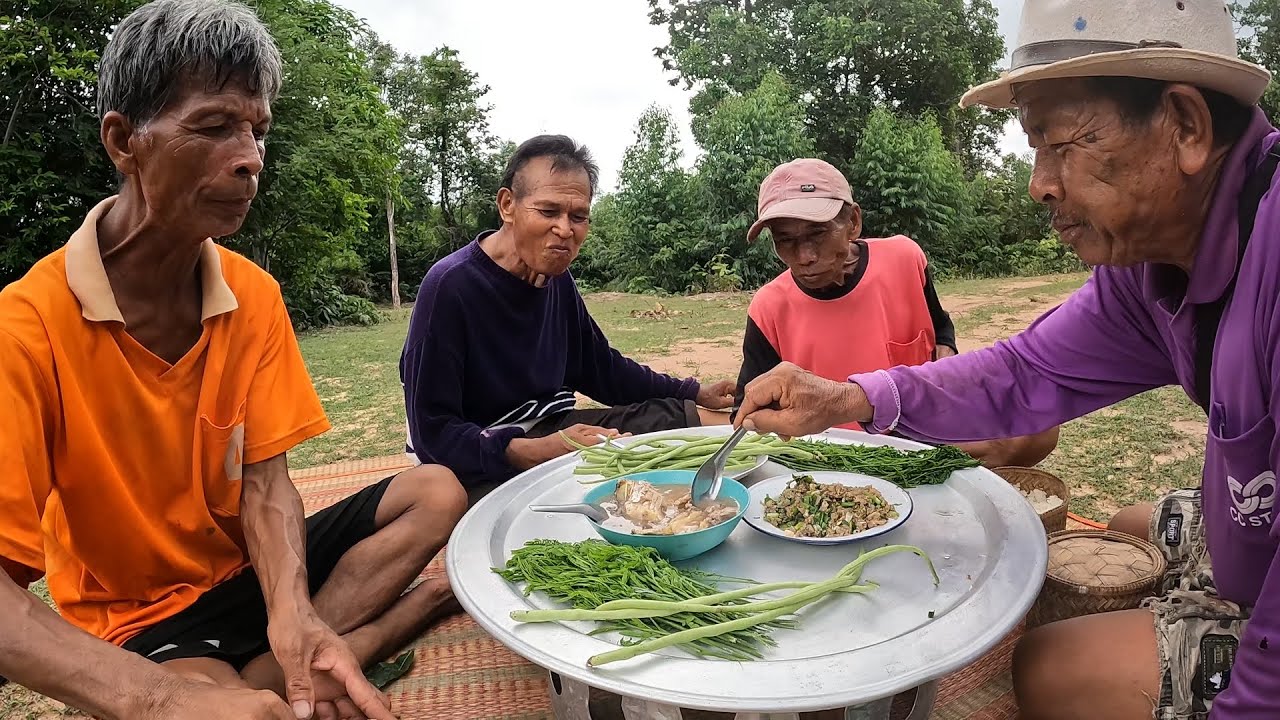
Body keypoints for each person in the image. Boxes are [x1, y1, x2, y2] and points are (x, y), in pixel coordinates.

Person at [734, 0, 1280, 718]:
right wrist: (850, 400)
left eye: (1060, 143)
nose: (1039, 184)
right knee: (1122, 524)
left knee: (1051, 666)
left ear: (1185, 124)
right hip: (1253, 519)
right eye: (1034, 148)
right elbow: (1024, 372)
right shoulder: (1145, 269)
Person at [0, 2, 467, 719]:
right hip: (143, 618)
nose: (250, 157)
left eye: (258, 130)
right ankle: (394, 619)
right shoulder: (25, 328)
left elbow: (268, 487)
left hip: (248, 573)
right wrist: (156, 700)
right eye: (215, 126)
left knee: (435, 491)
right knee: (247, 713)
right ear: (125, 141)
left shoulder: (253, 295)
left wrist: (291, 610)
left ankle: (289, 655)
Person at [400, 134, 736, 494]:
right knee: (562, 515)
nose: (565, 229)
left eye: (578, 216)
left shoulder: (555, 279)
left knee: (687, 422)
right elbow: (432, 433)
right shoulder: (450, 287)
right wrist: (531, 451)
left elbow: (600, 370)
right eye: (548, 212)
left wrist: (694, 391)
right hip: (477, 456)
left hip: (552, 427)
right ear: (507, 205)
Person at [734, 158, 1059, 468]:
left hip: (924, 430)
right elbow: (748, 412)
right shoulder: (769, 308)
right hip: (835, 453)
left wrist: (946, 354)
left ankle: (936, 475)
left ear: (853, 223)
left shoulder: (905, 259)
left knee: (1038, 428)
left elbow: (939, 325)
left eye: (817, 234)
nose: (804, 256)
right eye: (785, 240)